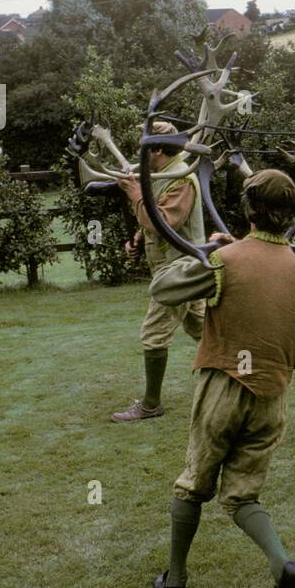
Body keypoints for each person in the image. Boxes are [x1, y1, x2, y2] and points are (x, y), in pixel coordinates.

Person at [148, 169, 295, 588]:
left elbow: (163, 288)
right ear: (291, 215)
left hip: (223, 385)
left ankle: (175, 580)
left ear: (248, 209)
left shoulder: (224, 260)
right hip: (272, 396)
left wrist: (208, 251)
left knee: (193, 483)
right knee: (243, 496)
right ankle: (283, 566)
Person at [110, 122, 207, 422]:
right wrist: (139, 241)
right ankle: (247, 375)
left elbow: (165, 221)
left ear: (156, 149)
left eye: (144, 144)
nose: (140, 150)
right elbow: (155, 222)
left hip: (181, 270)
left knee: (153, 335)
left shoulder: (182, 177)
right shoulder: (164, 175)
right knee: (207, 330)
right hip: (182, 268)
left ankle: (151, 404)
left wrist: (136, 195)